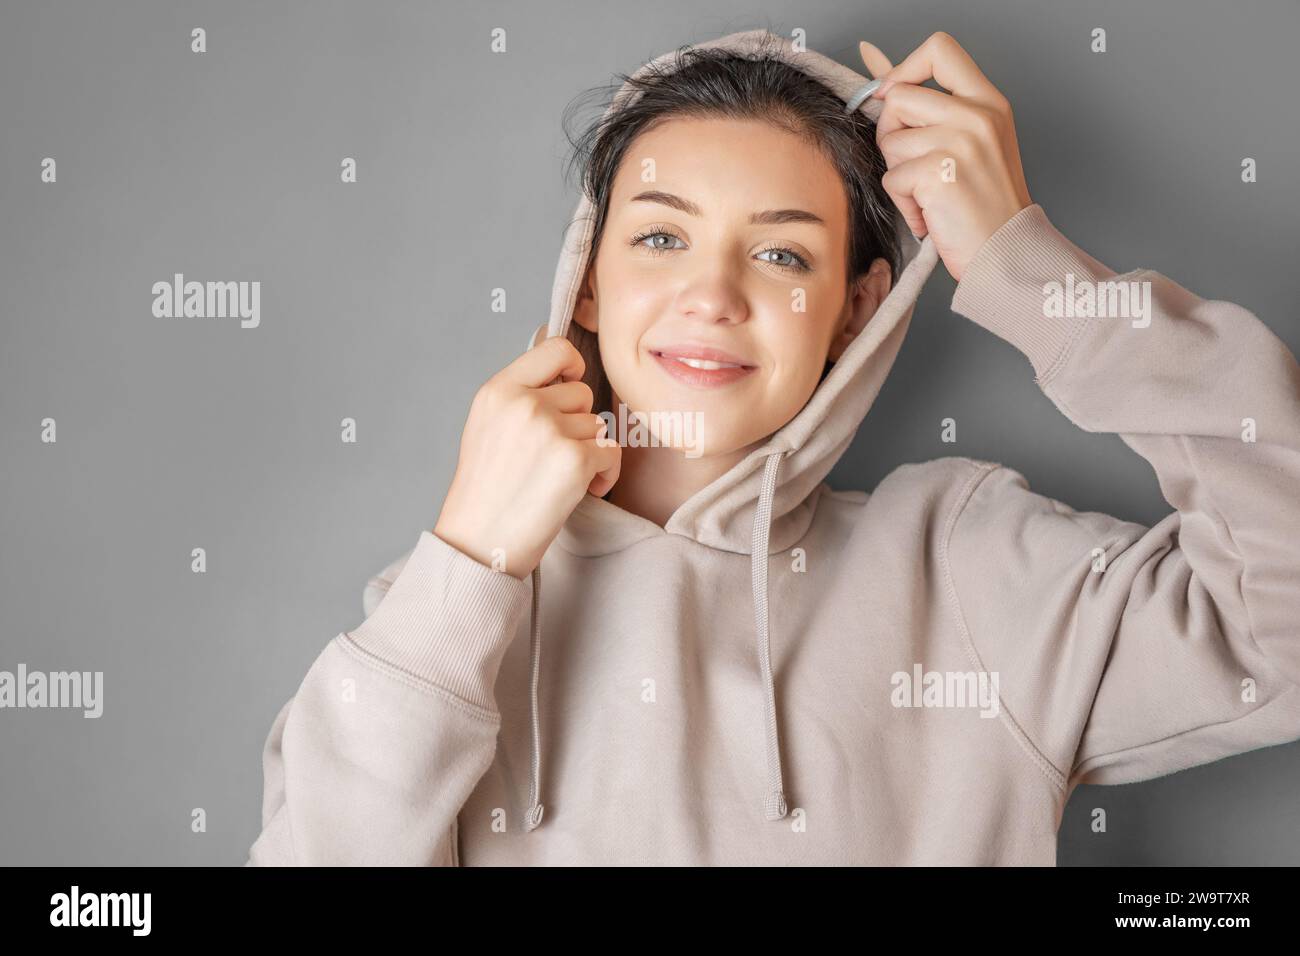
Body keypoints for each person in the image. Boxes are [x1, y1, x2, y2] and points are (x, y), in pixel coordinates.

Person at [246, 29, 1300, 865]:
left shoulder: (968, 566)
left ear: (854, 309)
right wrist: (467, 558)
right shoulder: (442, 618)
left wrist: (1027, 271)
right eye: (660, 235)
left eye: (781, 250)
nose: (711, 293)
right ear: (591, 279)